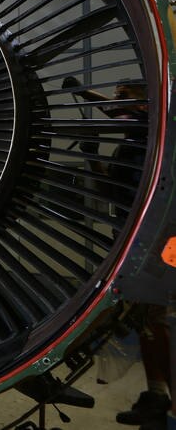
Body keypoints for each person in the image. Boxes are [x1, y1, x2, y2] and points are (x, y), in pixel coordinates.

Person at [65, 77, 170, 429]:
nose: (117, 99)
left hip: (155, 241)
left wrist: (82, 91)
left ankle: (160, 397)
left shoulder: (151, 128)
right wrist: (92, 154)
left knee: (153, 318)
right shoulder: (131, 146)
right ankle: (157, 396)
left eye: (124, 94)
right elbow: (111, 184)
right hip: (135, 242)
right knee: (147, 322)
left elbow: (118, 112)